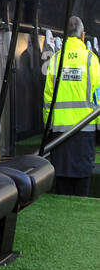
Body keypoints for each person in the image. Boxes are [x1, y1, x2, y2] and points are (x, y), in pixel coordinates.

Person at [43, 16, 100, 196]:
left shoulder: (55, 60)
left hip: (60, 133)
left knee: (62, 186)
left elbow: (47, 98)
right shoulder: (91, 60)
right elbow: (98, 98)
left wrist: (48, 127)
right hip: (85, 131)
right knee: (82, 185)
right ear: (83, 36)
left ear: (65, 35)